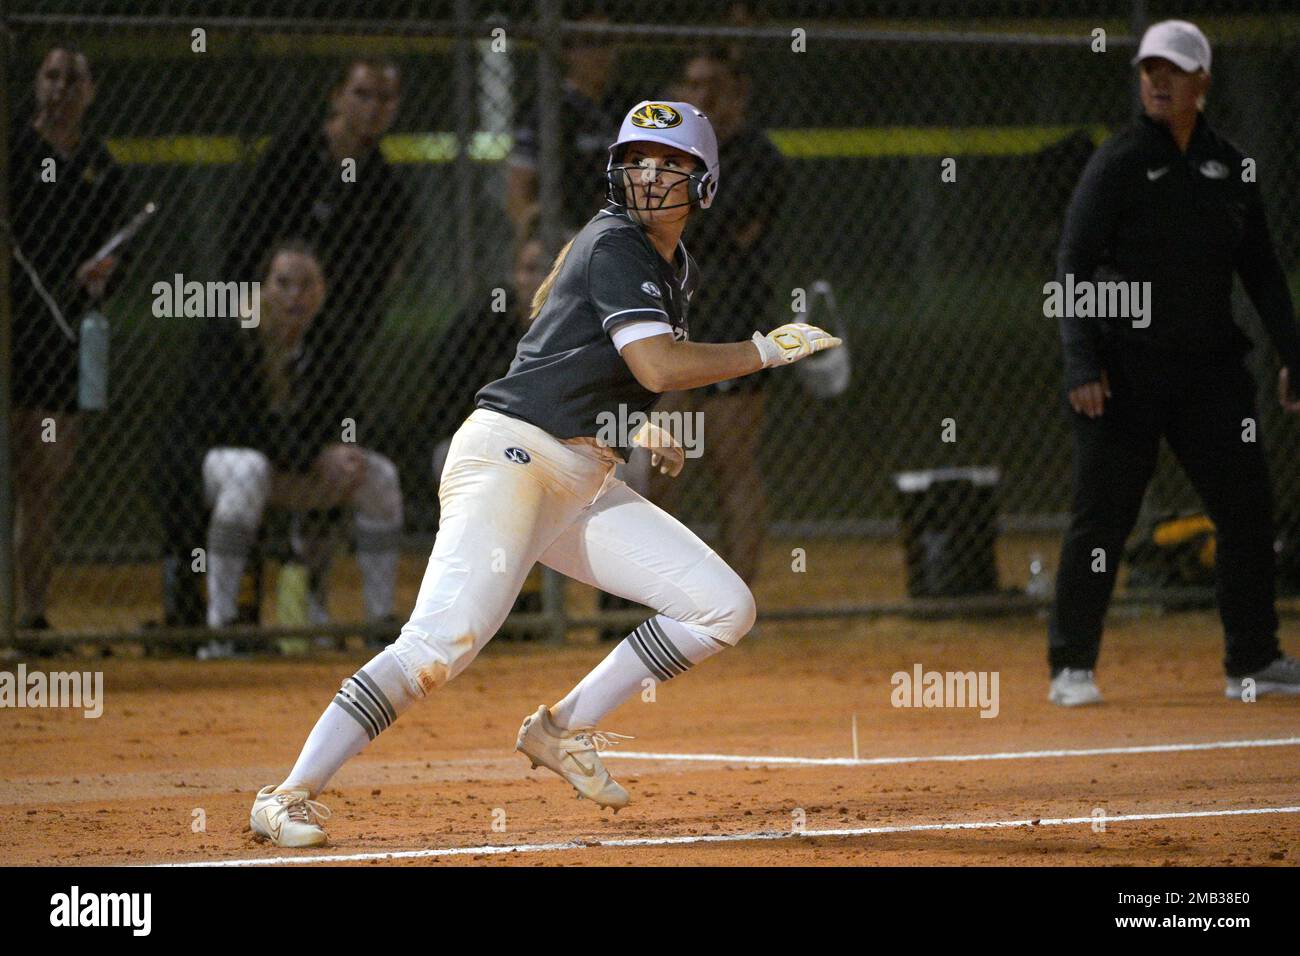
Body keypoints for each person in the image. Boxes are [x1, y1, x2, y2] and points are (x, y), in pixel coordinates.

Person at [249, 101, 841, 846]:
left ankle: (562, 729)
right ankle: (286, 795)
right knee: (440, 645)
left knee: (722, 606)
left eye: (670, 163)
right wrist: (765, 350)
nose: (650, 175)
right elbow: (655, 363)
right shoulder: (618, 242)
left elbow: (585, 365)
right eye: (636, 160)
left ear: (706, 182)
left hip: (577, 476)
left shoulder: (671, 263)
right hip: (513, 460)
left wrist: (635, 421)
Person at [1048, 20, 1300, 706]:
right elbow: (1072, 262)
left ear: (1203, 83)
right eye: (1149, 69)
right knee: (1102, 517)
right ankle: (1071, 666)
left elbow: (1265, 272)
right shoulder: (1121, 160)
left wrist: (1291, 354)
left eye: (1175, 70)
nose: (1159, 81)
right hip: (1123, 369)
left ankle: (1252, 661)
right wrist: (1081, 363)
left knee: (1247, 512)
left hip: (1209, 371)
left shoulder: (1231, 167)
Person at [160, 58, 411, 625]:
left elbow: (381, 275)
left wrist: (337, 447)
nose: (373, 108)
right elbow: (244, 234)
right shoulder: (292, 159)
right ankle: (223, 626)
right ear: (336, 96)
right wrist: (261, 305)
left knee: (370, 472)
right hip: (247, 435)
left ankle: (373, 624)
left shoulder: (385, 187)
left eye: (385, 99)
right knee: (249, 468)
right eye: (362, 93)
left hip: (323, 356)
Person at [165, 241, 403, 634]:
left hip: (292, 464)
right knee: (248, 470)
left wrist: (345, 449)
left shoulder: (328, 337)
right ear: (261, 289)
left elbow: (349, 409)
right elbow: (232, 425)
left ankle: (380, 620)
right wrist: (312, 456)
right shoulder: (233, 334)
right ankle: (221, 623)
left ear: (323, 290)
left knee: (380, 478)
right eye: (283, 283)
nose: (296, 296)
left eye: (307, 284)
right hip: (215, 466)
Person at [8, 45, 126, 631]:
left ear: (90, 91)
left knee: (42, 481)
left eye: (72, 79)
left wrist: (105, 273)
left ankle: (30, 616)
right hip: (11, 329)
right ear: (36, 83)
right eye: (50, 75)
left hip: (59, 342)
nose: (60, 88)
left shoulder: (101, 167)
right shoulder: (12, 152)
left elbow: (120, 254)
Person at [505, 13, 622, 241]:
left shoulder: (625, 105)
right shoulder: (546, 108)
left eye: (606, 43)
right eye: (589, 44)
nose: (600, 54)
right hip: (568, 233)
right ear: (568, 53)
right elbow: (518, 189)